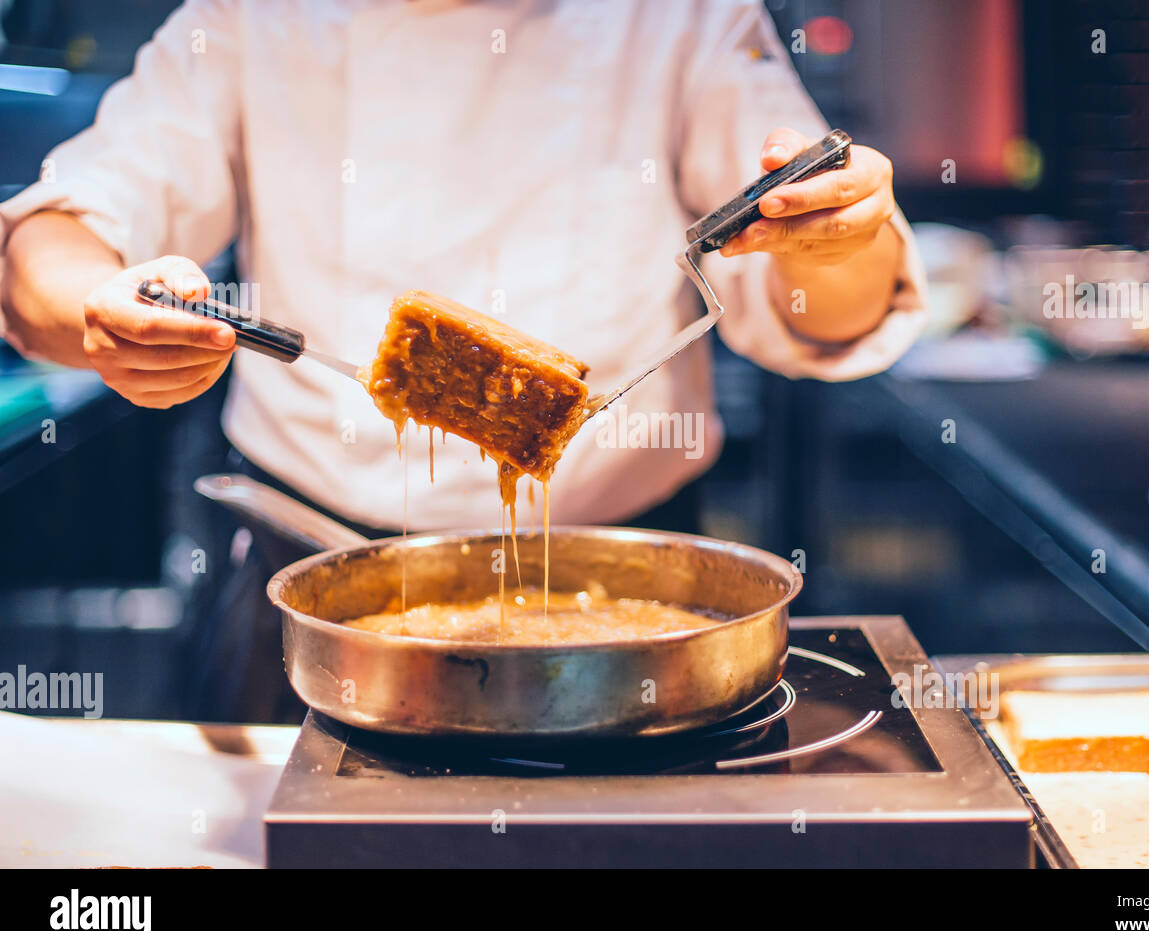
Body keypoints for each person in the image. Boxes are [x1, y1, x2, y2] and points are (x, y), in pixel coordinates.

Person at [0, 0, 926, 721]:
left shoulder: (678, 15)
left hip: (636, 602)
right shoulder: (254, 17)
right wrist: (93, 311)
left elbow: (824, 309)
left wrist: (847, 232)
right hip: (313, 591)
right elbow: (54, 235)